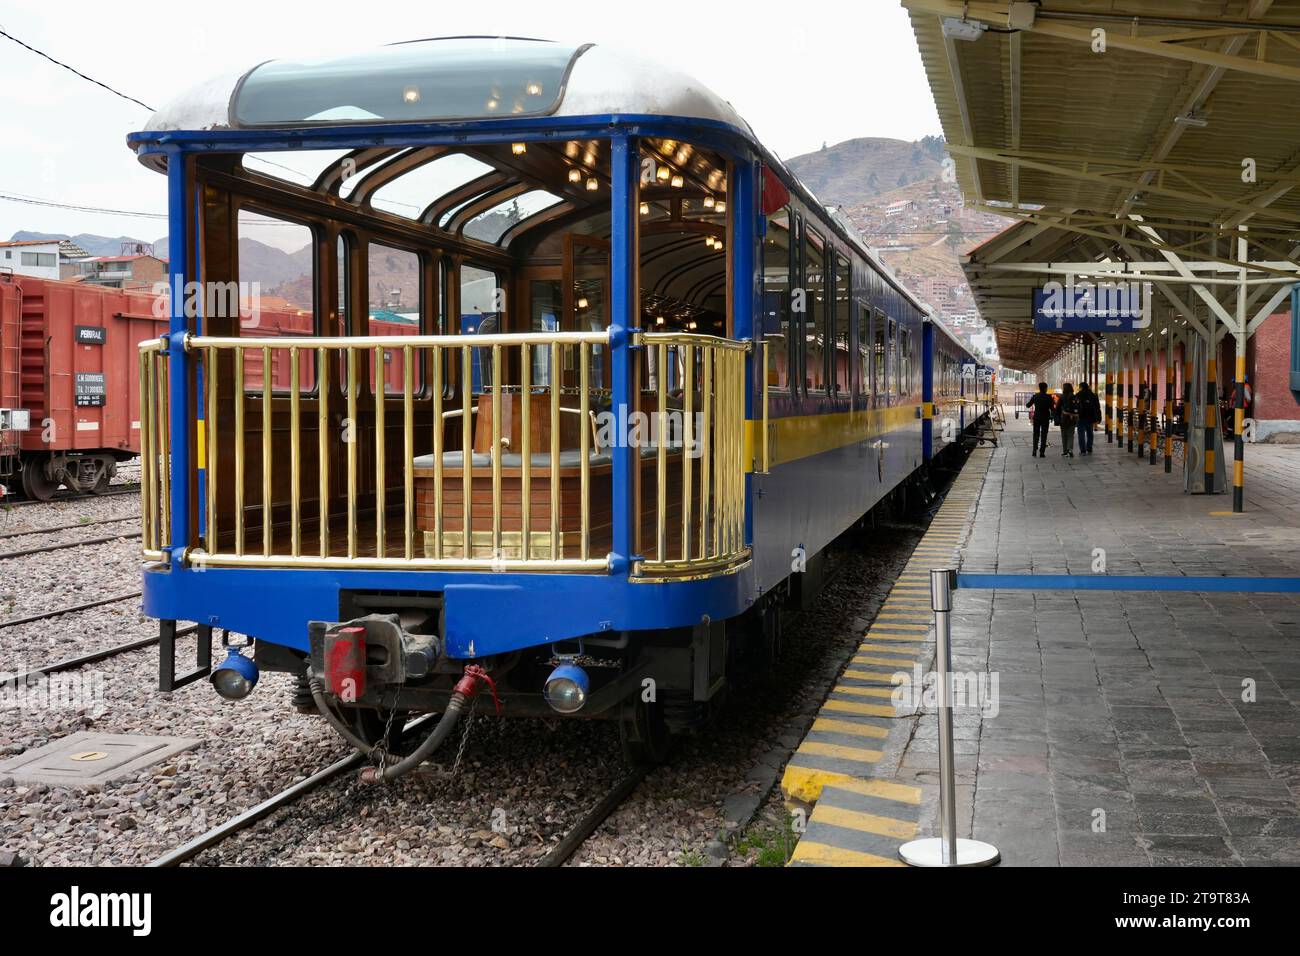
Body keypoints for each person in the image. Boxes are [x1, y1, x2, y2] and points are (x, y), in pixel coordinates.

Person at [1025, 382, 1055, 457]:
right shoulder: (1048, 397)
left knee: (1036, 434)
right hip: (1045, 418)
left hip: (1037, 417)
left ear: (1039, 388)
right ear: (1045, 388)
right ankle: (1042, 452)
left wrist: (1031, 401)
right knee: (1044, 435)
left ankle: (1034, 451)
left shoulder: (1035, 396)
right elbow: (1052, 409)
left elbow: (1028, 405)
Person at [1076, 381, 1101, 455]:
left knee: (1081, 434)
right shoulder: (1093, 395)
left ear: (1081, 387)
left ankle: (1083, 450)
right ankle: (1089, 448)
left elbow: (1075, 406)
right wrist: (1099, 417)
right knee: (1090, 433)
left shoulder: (1078, 395)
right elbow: (1097, 407)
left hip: (1081, 417)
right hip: (1091, 417)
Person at [1058, 383, 1079, 457]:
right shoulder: (1074, 396)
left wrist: (1057, 418)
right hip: (1073, 418)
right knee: (1070, 435)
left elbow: (1057, 408)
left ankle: (1064, 451)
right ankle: (1070, 449)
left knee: (1064, 435)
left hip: (1063, 418)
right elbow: (1079, 407)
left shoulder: (1062, 397)